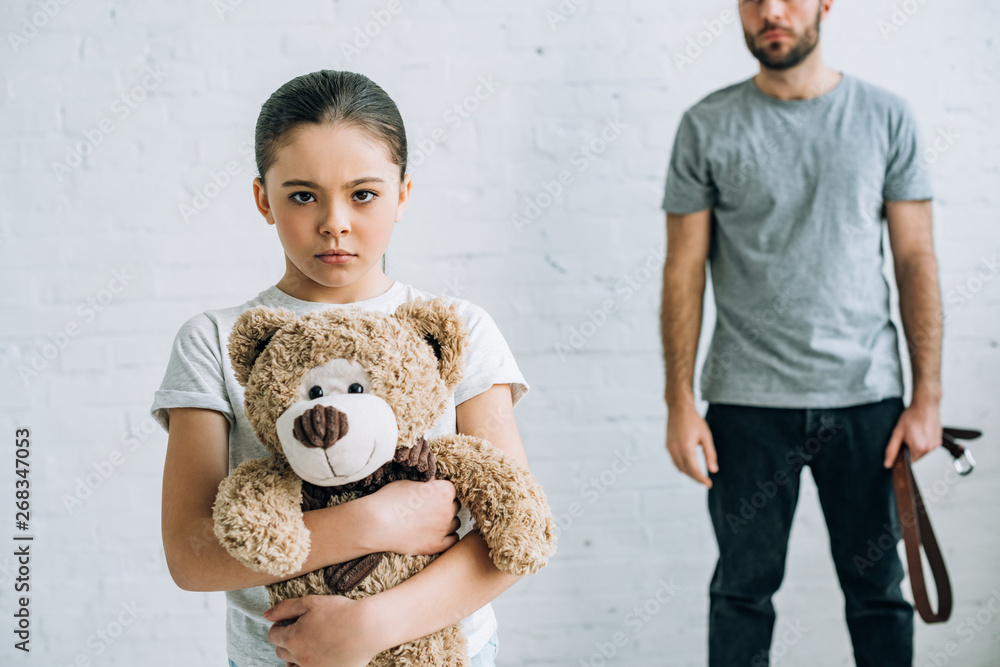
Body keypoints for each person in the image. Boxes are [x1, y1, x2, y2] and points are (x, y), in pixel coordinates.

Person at [151, 69, 533, 667]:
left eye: (363, 194)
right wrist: (376, 519)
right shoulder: (214, 341)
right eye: (303, 195)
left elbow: (512, 533)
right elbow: (191, 556)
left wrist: (373, 625)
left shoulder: (459, 329)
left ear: (402, 194)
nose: (335, 222)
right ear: (263, 199)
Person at [659, 1, 943, 665]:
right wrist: (679, 403)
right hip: (746, 407)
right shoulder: (706, 125)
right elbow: (683, 269)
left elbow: (915, 259)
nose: (771, 11)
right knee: (741, 593)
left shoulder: (886, 117)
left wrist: (927, 397)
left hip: (868, 402)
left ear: (825, 4)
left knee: (879, 593)